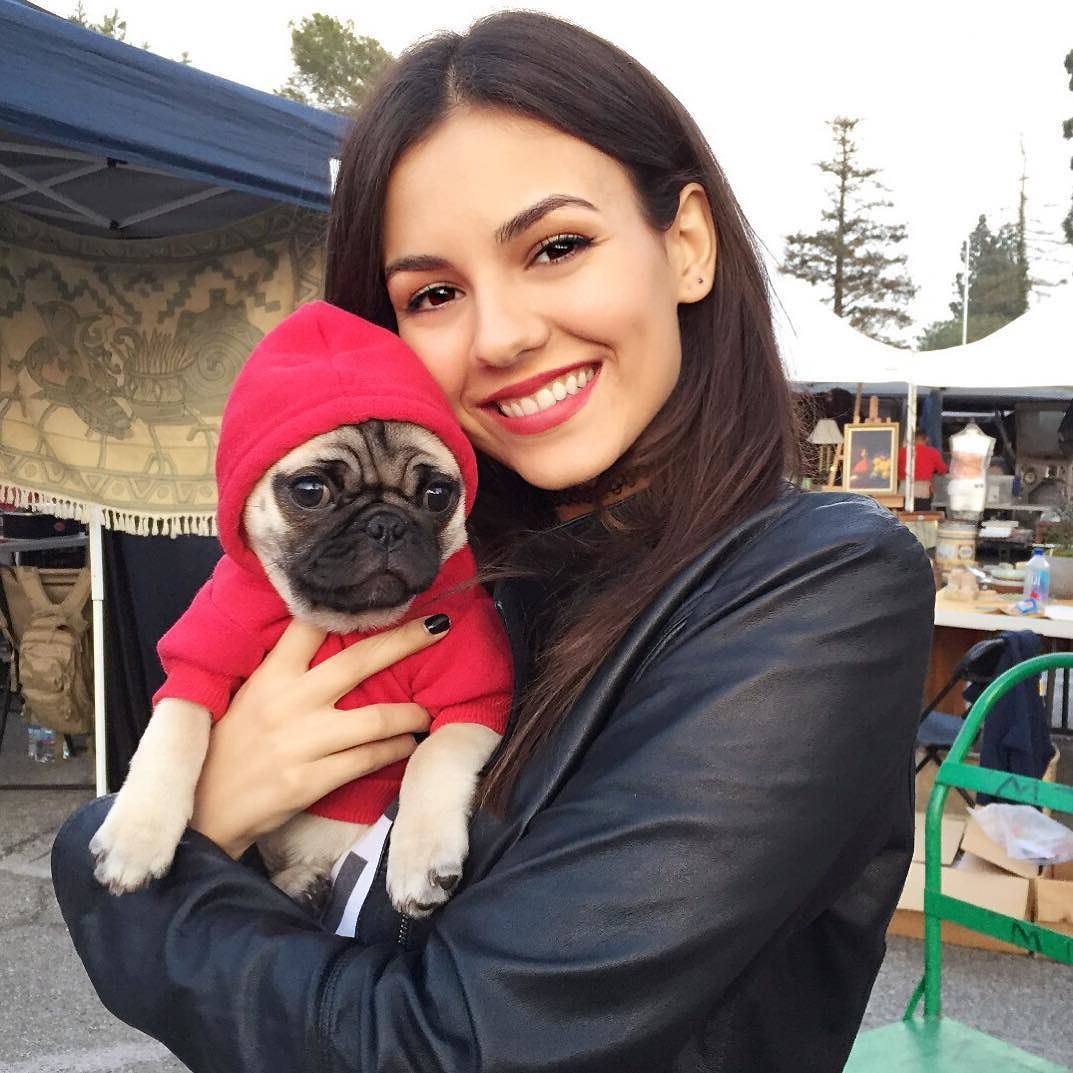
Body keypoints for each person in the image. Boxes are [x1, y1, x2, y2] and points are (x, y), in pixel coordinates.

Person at [51, 12, 934, 1073]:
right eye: (432, 293)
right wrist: (205, 799)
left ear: (685, 245)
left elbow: (454, 1046)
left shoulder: (818, 589)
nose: (502, 332)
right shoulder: (453, 559)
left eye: (556, 246)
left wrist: (129, 864)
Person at [898, 428, 948, 510]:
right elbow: (942, 470)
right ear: (927, 439)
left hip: (904, 490)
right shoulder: (932, 452)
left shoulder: (902, 451)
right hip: (923, 491)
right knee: (922, 519)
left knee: (903, 518)